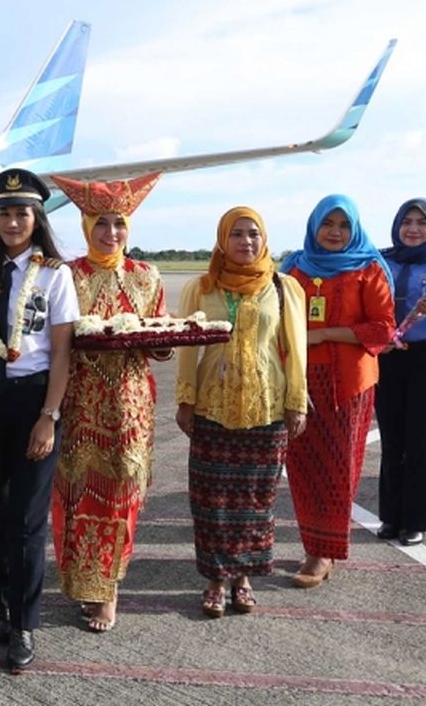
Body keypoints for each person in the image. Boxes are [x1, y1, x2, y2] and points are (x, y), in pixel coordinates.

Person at [175, 207, 308, 616]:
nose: (245, 242)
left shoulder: (284, 287)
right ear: (222, 239)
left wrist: (297, 402)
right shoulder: (201, 287)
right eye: (236, 234)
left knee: (255, 500)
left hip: (265, 407)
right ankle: (216, 578)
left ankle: (244, 578)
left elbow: (296, 350)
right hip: (213, 406)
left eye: (253, 234)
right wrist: (185, 398)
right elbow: (187, 347)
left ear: (264, 239)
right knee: (211, 499)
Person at [48, 173, 162, 637]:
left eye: (118, 223)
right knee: (74, 498)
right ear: (85, 225)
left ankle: (109, 589)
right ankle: (82, 583)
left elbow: (158, 337)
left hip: (130, 408)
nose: (110, 233)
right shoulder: (67, 275)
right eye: (101, 223)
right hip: (78, 405)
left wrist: (161, 341)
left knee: (120, 501)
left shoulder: (146, 276)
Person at [0, 169, 77, 671]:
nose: (13, 221)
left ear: (37, 219)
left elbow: (61, 354)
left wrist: (49, 417)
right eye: (5, 213)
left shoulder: (56, 274)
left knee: (29, 520)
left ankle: (24, 623)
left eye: (22, 212)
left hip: (36, 401)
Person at [280, 194, 394, 587]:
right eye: (328, 224)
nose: (335, 232)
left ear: (355, 229)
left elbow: (382, 329)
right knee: (301, 466)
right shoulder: (292, 267)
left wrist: (324, 333)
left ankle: (322, 552)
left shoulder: (368, 268)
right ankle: (315, 542)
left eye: (344, 225)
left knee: (337, 467)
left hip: (347, 385)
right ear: (314, 225)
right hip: (299, 380)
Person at [376, 198, 426, 546]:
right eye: (406, 221)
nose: (412, 228)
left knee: (421, 443)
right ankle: (391, 517)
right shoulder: (382, 261)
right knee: (392, 442)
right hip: (387, 357)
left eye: (421, 222)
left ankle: (416, 520)